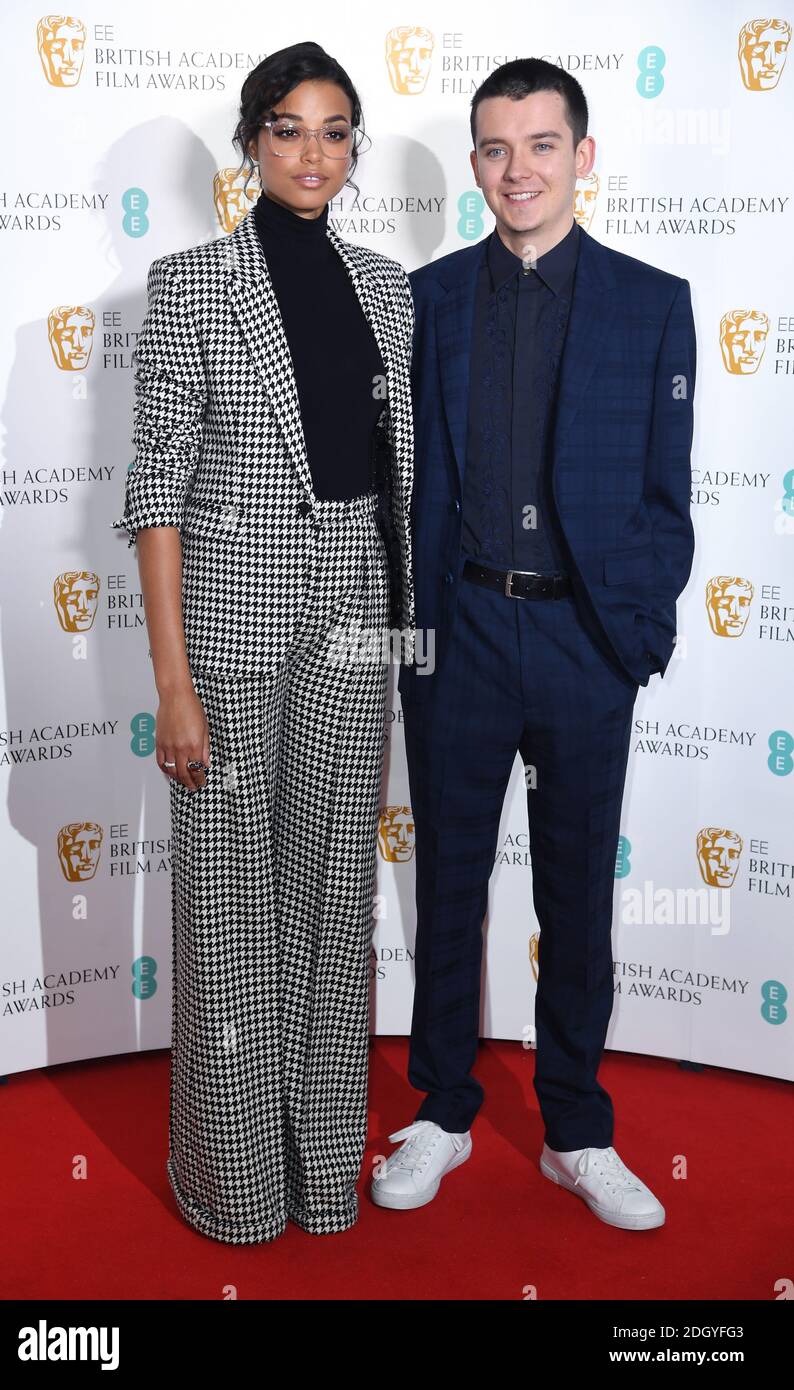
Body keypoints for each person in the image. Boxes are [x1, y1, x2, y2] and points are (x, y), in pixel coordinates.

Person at [372, 59, 696, 1230]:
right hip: (456, 629)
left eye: (542, 145)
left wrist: (633, 634)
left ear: (583, 156)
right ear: (474, 167)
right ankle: (444, 1110)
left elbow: (668, 495)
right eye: (497, 149)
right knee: (447, 885)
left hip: (582, 641)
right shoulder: (427, 298)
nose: (519, 169)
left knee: (577, 898)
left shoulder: (653, 300)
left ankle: (576, 1128)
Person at [112, 41, 415, 1244]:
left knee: (335, 898)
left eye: (335, 130)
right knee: (232, 908)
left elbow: (397, 482)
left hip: (356, 620)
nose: (312, 152)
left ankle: (319, 1165)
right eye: (287, 128)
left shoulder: (391, 287)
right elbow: (155, 493)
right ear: (250, 142)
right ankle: (234, 1184)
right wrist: (170, 682)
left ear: (354, 149)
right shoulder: (188, 283)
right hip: (225, 637)